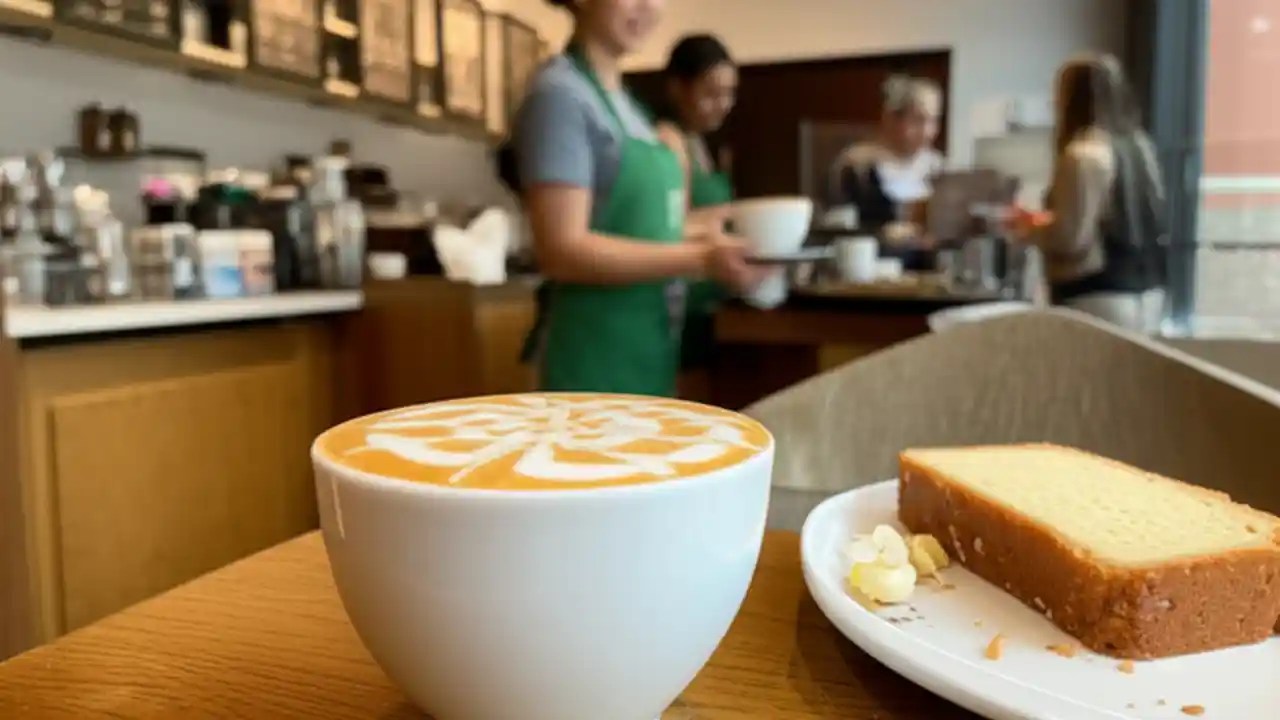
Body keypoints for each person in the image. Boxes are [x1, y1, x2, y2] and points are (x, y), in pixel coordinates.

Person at [511, 0, 767, 397]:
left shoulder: (629, 107)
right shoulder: (559, 97)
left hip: (648, 350)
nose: (649, 7)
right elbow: (561, 249)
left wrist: (716, 237)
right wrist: (701, 259)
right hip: (592, 361)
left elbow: (648, 231)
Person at [1020, 53, 1167, 333]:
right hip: (1149, 295)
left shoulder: (1083, 155)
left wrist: (1028, 227)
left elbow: (1070, 239)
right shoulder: (1140, 147)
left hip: (1096, 296)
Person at [652, 33, 738, 384]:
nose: (724, 104)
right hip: (684, 301)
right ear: (677, 88)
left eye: (729, 94)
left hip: (708, 297)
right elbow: (673, 226)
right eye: (711, 93)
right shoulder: (669, 140)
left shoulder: (699, 142)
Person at [828, 75, 945, 233]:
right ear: (890, 119)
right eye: (918, 120)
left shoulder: (937, 166)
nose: (927, 131)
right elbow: (840, 224)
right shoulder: (858, 165)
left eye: (934, 120)